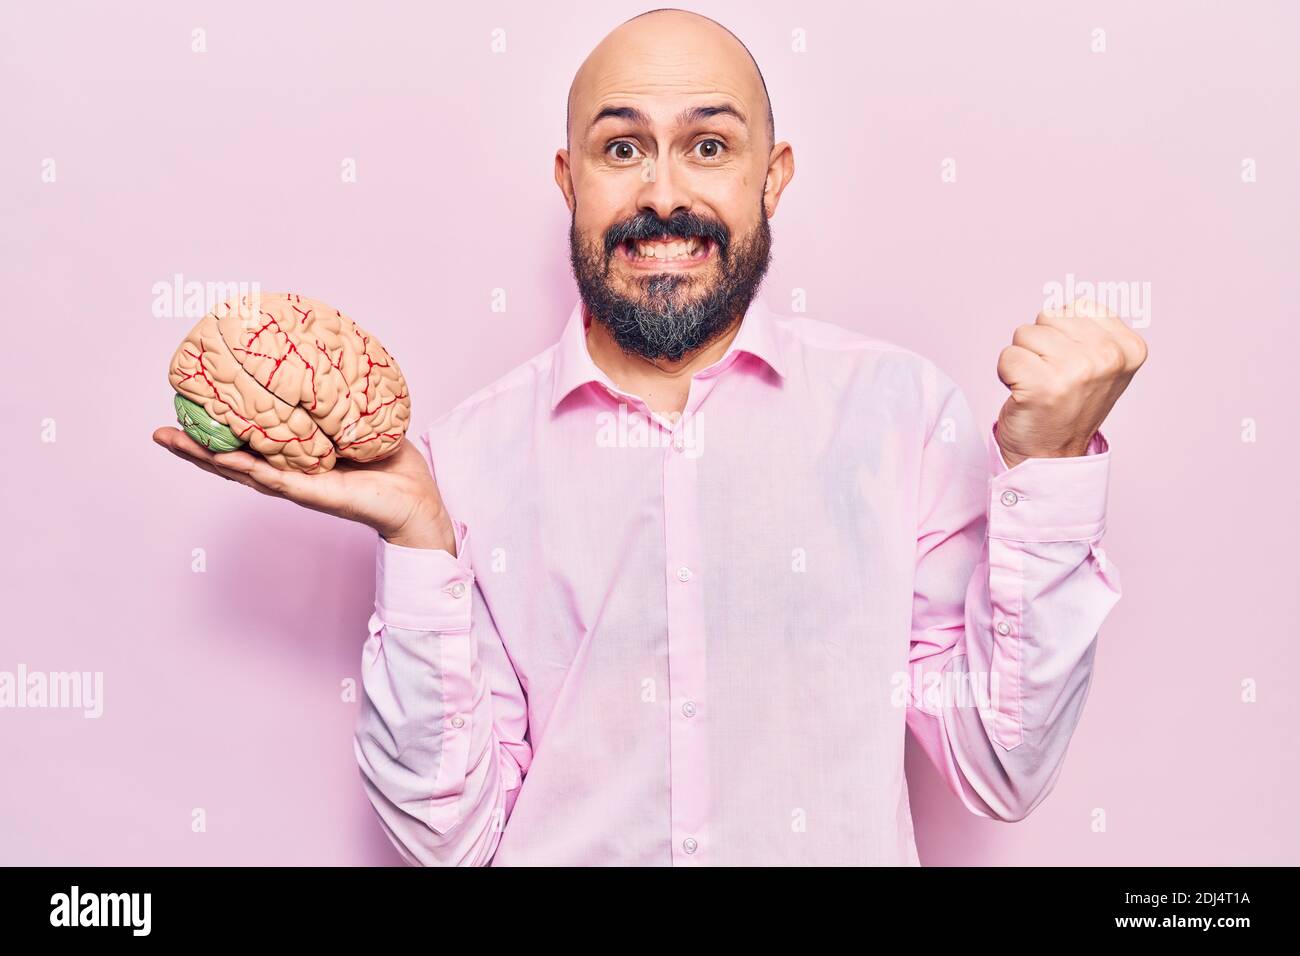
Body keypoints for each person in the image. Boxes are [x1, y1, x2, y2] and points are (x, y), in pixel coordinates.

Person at [153, 8, 1147, 865]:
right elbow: (444, 835)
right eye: (620, 148)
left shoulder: (899, 416)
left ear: (774, 175)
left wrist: (1048, 469)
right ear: (568, 178)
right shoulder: (464, 458)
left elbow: (1000, 765)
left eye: (708, 146)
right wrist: (416, 540)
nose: (663, 196)